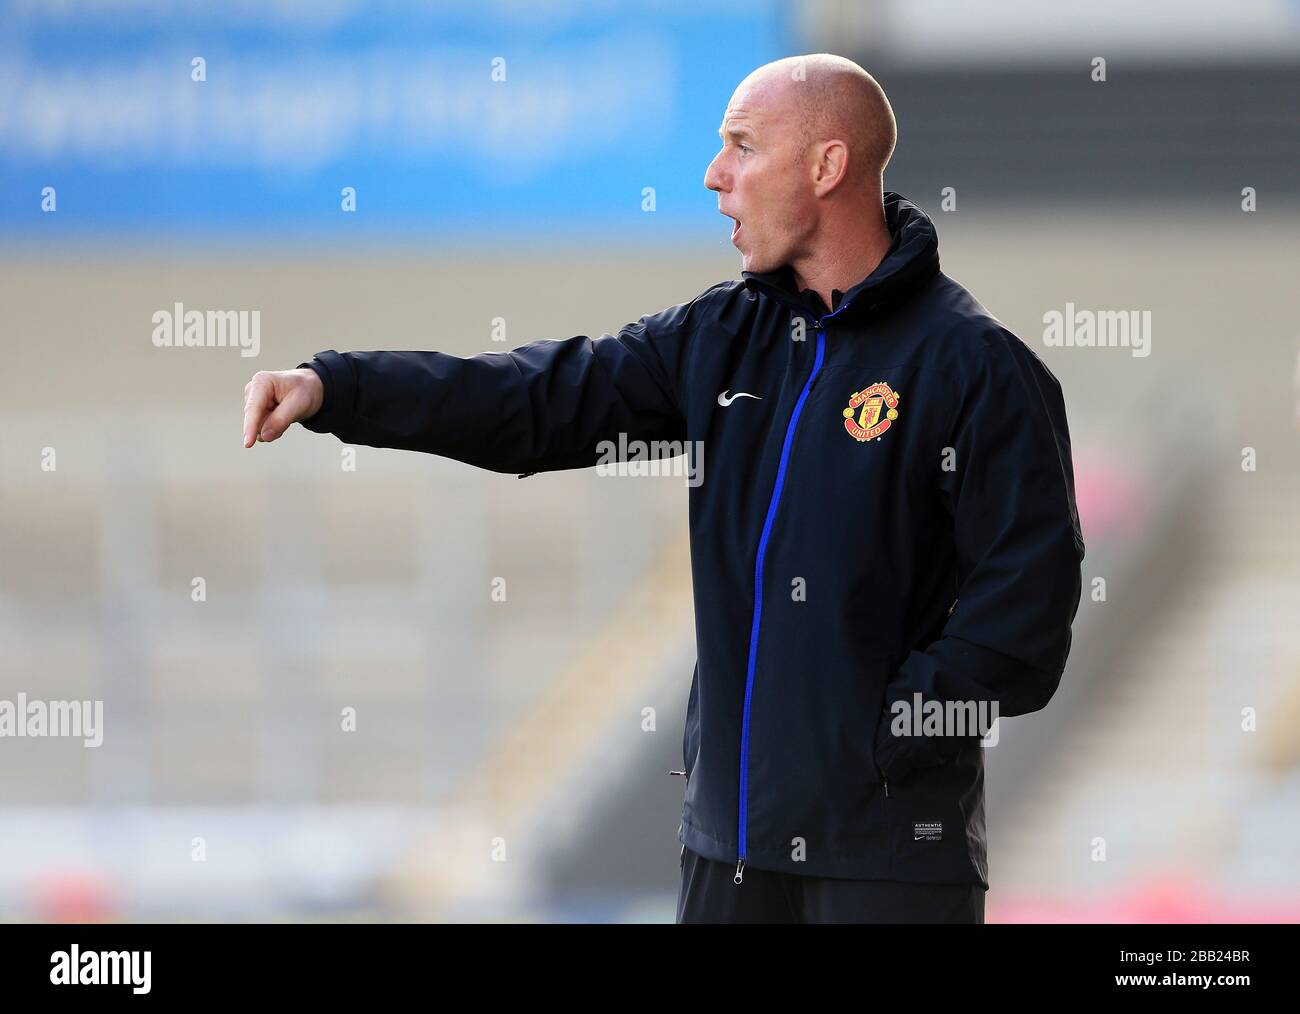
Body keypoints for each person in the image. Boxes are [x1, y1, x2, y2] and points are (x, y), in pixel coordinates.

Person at [242, 54, 1085, 924]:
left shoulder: (974, 366)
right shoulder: (719, 338)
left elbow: (1025, 612)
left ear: (827, 167)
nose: (715, 176)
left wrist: (885, 738)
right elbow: (535, 398)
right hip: (729, 857)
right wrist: (340, 388)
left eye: (742, 146)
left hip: (890, 864)